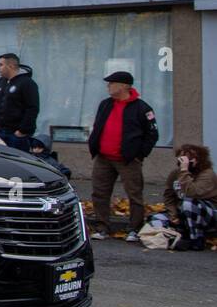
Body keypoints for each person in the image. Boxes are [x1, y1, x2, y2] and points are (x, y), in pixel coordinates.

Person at [88, 71, 159, 242]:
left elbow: (152, 134)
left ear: (124, 86)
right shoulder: (105, 104)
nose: (108, 86)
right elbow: (98, 125)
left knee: (134, 194)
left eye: (112, 83)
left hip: (128, 159)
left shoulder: (142, 108)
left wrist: (139, 155)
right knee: (99, 193)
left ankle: (134, 228)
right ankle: (102, 226)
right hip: (103, 157)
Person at [164, 144, 217, 251]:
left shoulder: (208, 174)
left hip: (208, 214)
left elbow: (192, 193)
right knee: (156, 218)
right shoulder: (175, 174)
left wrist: (184, 171)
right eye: (182, 159)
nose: (184, 163)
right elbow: (169, 197)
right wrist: (173, 215)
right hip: (184, 214)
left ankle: (196, 239)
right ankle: (176, 236)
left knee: (188, 203)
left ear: (198, 160)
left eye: (188, 160)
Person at [0, 53, 40, 151]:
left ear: (11, 66)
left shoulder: (27, 83)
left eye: (1, 65)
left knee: (16, 161)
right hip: (0, 132)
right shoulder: (0, 82)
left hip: (17, 135)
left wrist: (22, 131)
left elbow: (32, 108)